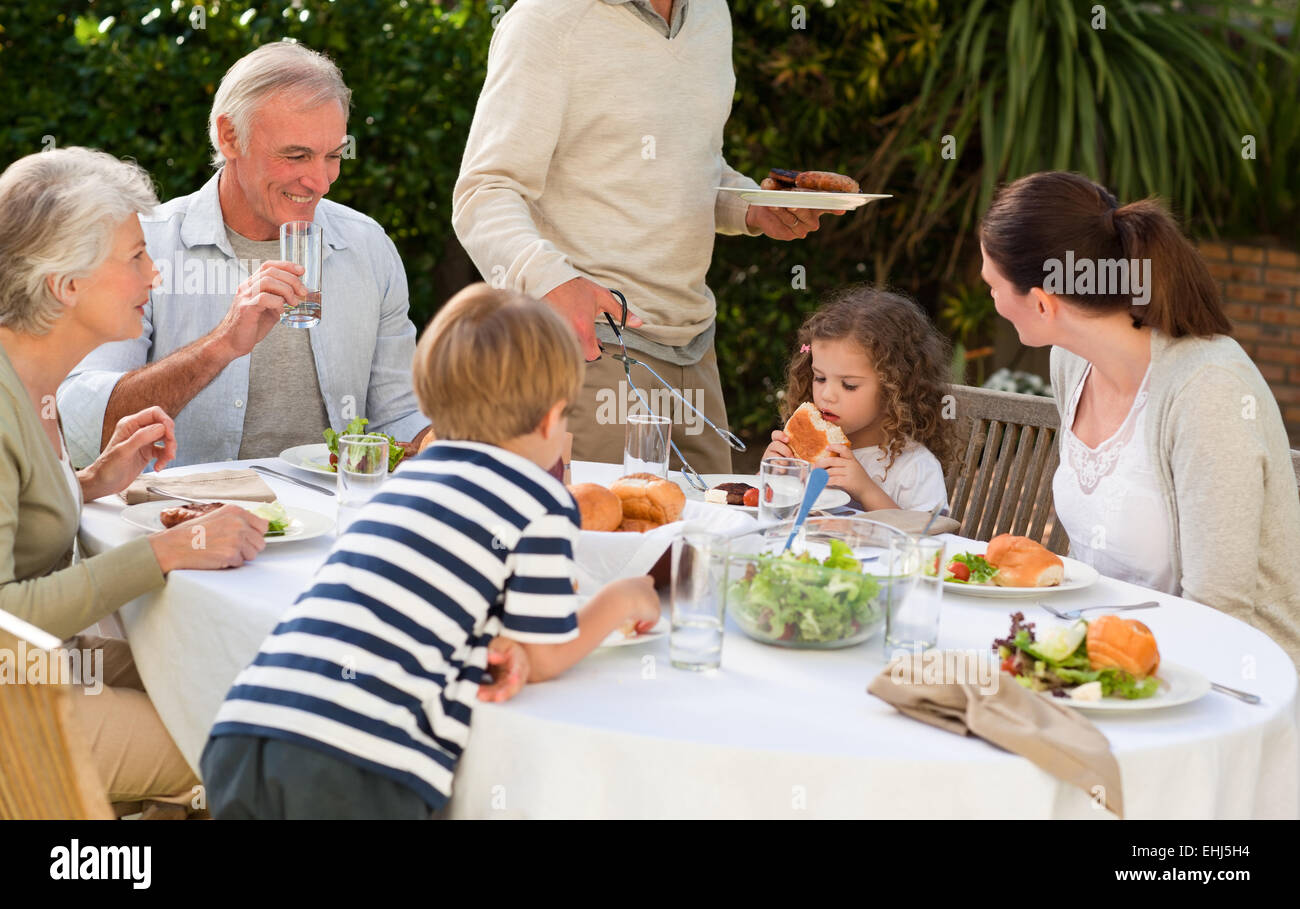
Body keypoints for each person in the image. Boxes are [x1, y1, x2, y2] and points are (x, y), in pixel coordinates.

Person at [199, 284, 661, 819]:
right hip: (358, 766)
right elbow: (544, 655)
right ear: (548, 420)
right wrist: (624, 600)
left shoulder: (404, 481)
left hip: (246, 728)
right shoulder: (540, 502)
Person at [453, 0, 839, 475]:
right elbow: (483, 191)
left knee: (705, 543)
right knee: (586, 540)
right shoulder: (545, 20)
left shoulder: (710, 14)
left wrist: (750, 206)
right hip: (587, 350)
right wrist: (553, 282)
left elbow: (691, 166)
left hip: (694, 347)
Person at [0, 147, 271, 816]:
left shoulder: (30, 383)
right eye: (134, 258)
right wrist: (166, 552)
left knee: (231, 682)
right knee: (240, 752)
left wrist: (93, 480)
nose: (155, 274)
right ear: (65, 284)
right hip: (14, 697)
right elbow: (8, 617)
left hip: (38, 667)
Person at [979, 170, 1300, 667]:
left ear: (1042, 303)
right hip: (1109, 657)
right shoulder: (1072, 361)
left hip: (1232, 684)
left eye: (992, 285)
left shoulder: (1207, 391)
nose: (992, 300)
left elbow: (1219, 616)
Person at [58, 42, 430, 469]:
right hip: (181, 518)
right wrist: (219, 345)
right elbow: (82, 423)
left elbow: (398, 416)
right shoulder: (145, 246)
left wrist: (449, 438)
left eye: (333, 156)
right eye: (296, 156)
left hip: (333, 522)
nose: (321, 182)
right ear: (230, 136)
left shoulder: (369, 246)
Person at [762, 288, 954, 512]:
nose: (826, 395)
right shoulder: (805, 452)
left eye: (849, 385)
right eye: (820, 378)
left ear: (895, 388)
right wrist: (772, 475)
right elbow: (771, 517)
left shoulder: (915, 467)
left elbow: (931, 540)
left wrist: (866, 490)